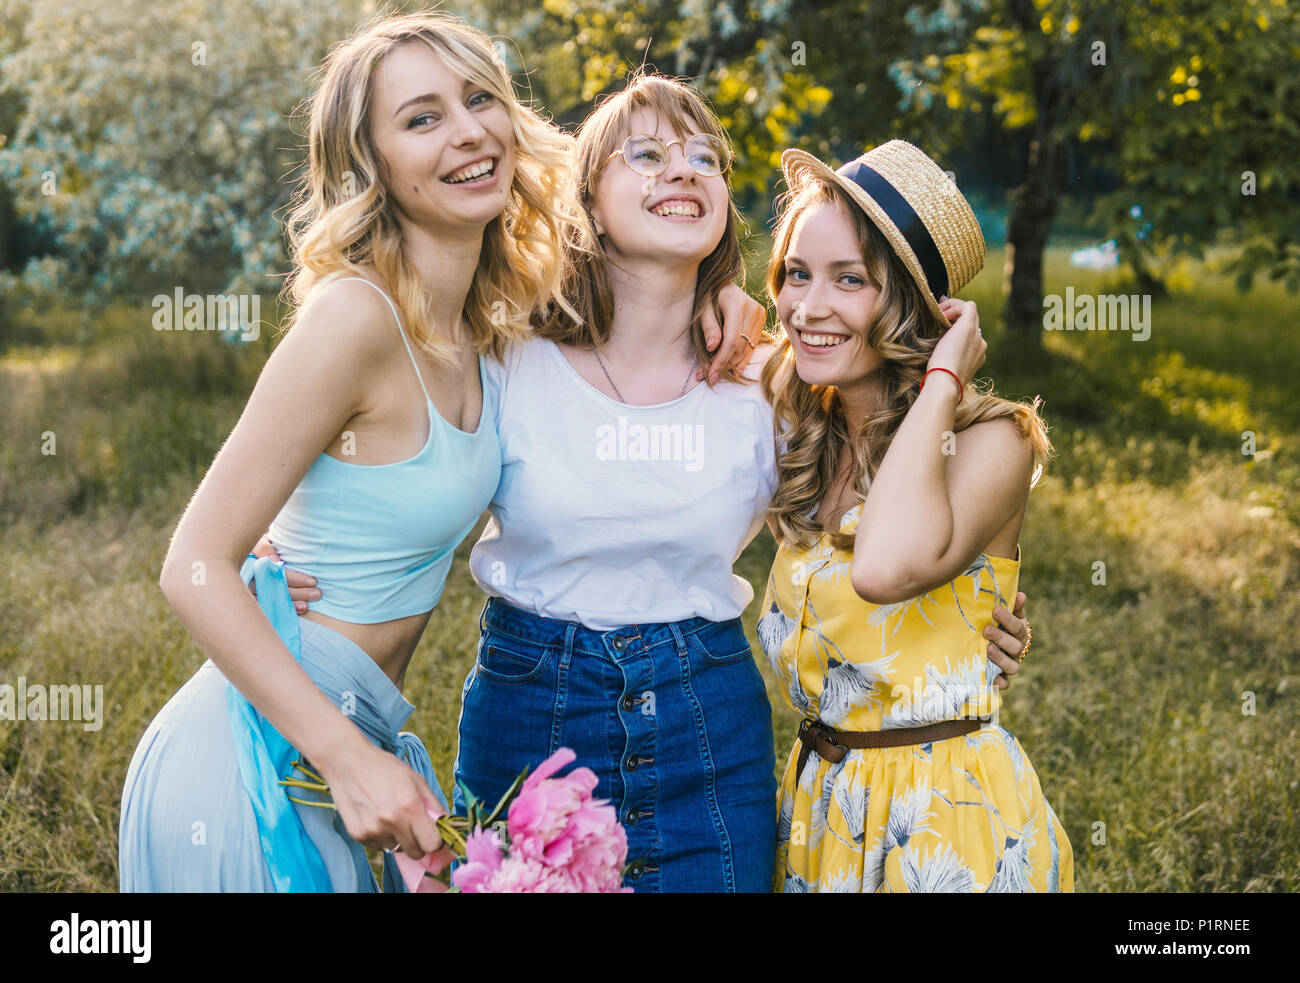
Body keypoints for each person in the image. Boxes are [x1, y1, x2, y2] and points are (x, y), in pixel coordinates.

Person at [118, 10, 584, 891]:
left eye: (479, 98)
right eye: (422, 118)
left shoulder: (487, 330)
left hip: (350, 740)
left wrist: (732, 309)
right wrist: (345, 757)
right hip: (258, 755)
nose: (468, 130)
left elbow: (644, 325)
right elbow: (191, 563)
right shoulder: (355, 317)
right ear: (373, 166)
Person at [757, 139, 1072, 892]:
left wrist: (941, 377)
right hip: (819, 809)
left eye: (849, 280)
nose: (807, 307)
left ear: (912, 304)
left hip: (940, 821)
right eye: (796, 274)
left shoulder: (992, 441)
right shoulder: (808, 424)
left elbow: (883, 567)